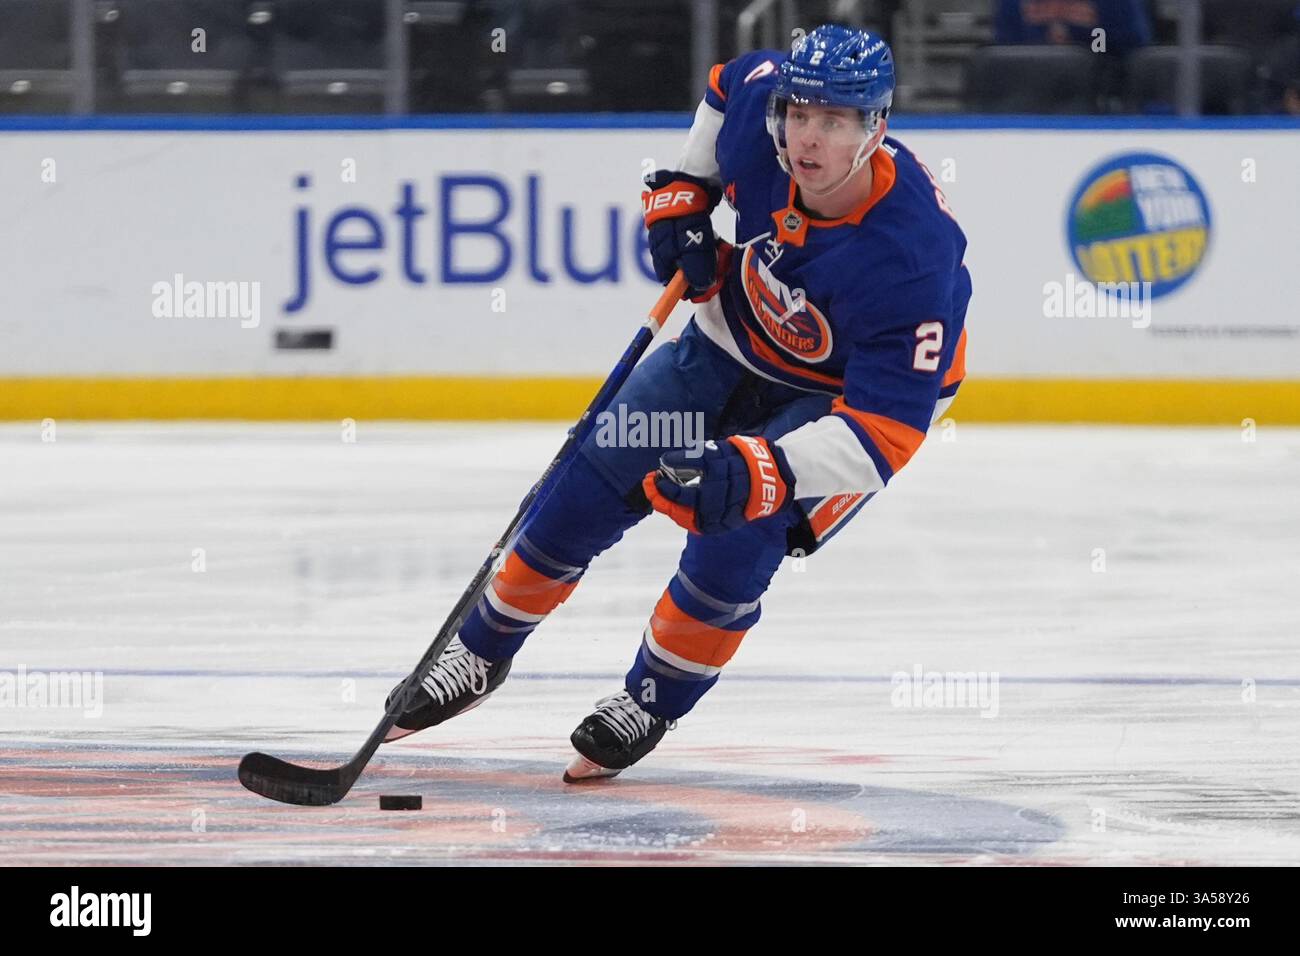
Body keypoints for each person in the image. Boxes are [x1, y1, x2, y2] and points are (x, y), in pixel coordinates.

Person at [384, 24, 971, 781]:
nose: (806, 139)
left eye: (832, 121)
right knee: (588, 481)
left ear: (875, 129)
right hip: (730, 342)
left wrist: (762, 465)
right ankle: (479, 653)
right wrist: (685, 195)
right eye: (799, 114)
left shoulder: (913, 256)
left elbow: (884, 435)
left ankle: (651, 700)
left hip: (841, 402)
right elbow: (729, 85)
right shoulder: (764, 113)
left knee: (737, 534)